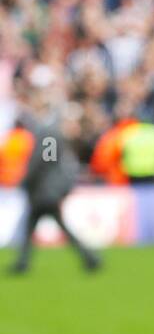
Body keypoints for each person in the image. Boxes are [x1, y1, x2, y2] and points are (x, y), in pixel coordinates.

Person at [7, 111, 101, 274]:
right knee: (41, 227)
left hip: (44, 192)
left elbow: (44, 162)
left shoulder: (47, 135)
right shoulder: (49, 134)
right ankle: (90, 258)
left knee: (34, 227)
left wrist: (24, 181)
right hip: (47, 191)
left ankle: (23, 263)